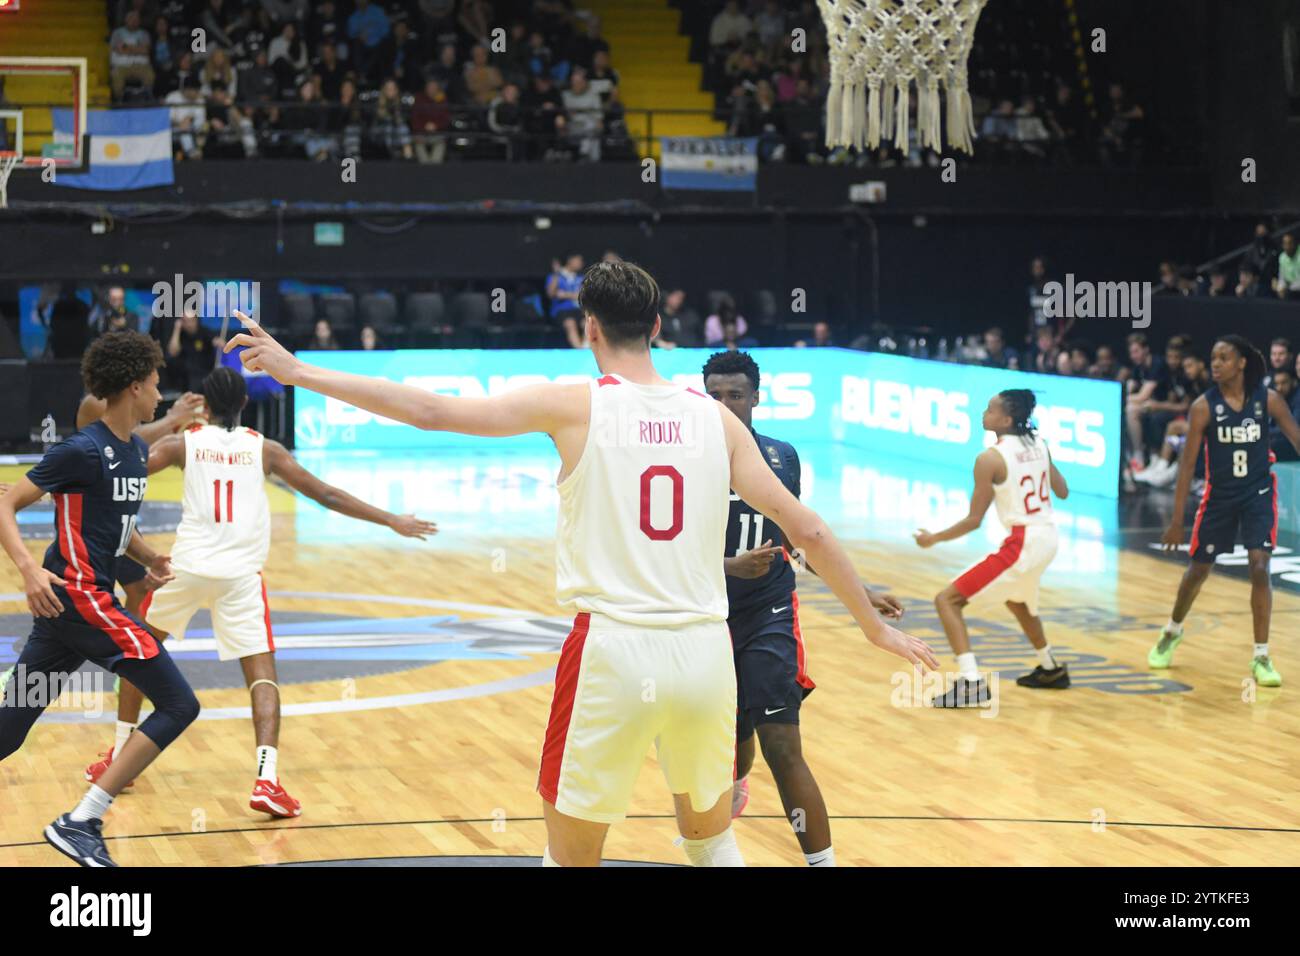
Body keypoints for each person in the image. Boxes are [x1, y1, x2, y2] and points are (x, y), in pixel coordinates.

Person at [222, 260, 938, 867]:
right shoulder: (715, 419)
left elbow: (430, 413)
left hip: (613, 654)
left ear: (588, 327)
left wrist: (295, 370)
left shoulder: (573, 406)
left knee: (571, 856)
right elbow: (807, 526)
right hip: (705, 654)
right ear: (658, 326)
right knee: (710, 841)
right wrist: (874, 631)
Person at [82, 368, 435, 816]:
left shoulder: (181, 445)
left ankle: (120, 757)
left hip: (184, 569)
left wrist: (41, 490)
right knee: (262, 675)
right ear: (246, 405)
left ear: (203, 406)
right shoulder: (266, 450)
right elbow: (326, 494)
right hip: (240, 576)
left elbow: (120, 472)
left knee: (139, 654)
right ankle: (266, 780)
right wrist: (391, 520)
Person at [0, 332, 201, 867]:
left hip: (69, 611)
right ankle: (82, 819)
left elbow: (115, 526)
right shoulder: (81, 449)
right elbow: (7, 503)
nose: (160, 394)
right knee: (181, 704)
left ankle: (81, 819)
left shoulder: (135, 451)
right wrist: (27, 571)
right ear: (134, 386)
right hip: (81, 599)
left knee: (7, 732)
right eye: (156, 384)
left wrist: (149, 556)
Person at [703, 351, 903, 866]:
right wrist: (728, 566)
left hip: (768, 612)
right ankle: (735, 777)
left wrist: (856, 590)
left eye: (735, 395)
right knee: (733, 741)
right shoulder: (682, 460)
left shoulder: (781, 457)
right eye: (714, 395)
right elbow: (657, 548)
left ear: (755, 399)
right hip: (703, 615)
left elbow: (796, 541)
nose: (724, 404)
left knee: (783, 745)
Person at [1149, 335, 1300, 687]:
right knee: (1198, 571)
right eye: (1213, 358)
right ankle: (1172, 630)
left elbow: (1296, 437)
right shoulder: (1204, 406)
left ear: (1241, 363)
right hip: (1219, 498)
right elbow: (1186, 468)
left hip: (1258, 492)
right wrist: (1175, 522)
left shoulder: (1269, 400)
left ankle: (1261, 656)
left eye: (1223, 358)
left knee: (1260, 566)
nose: (1215, 364)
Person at [914, 390, 1069, 706]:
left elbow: (974, 520)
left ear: (1007, 419)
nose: (983, 413)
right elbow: (1062, 491)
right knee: (1018, 600)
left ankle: (970, 683)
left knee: (947, 600)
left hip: (1023, 541)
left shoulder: (990, 458)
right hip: (1048, 537)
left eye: (990, 410)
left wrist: (933, 538)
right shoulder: (1039, 444)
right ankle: (1051, 668)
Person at [547, 253, 585, 349]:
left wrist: (565, 294)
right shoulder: (556, 277)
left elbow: (583, 295)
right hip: (562, 311)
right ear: (570, 260)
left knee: (588, 324)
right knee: (570, 323)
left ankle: (586, 348)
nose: (581, 263)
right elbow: (551, 294)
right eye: (578, 260)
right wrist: (556, 273)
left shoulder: (581, 277)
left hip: (579, 310)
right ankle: (580, 350)